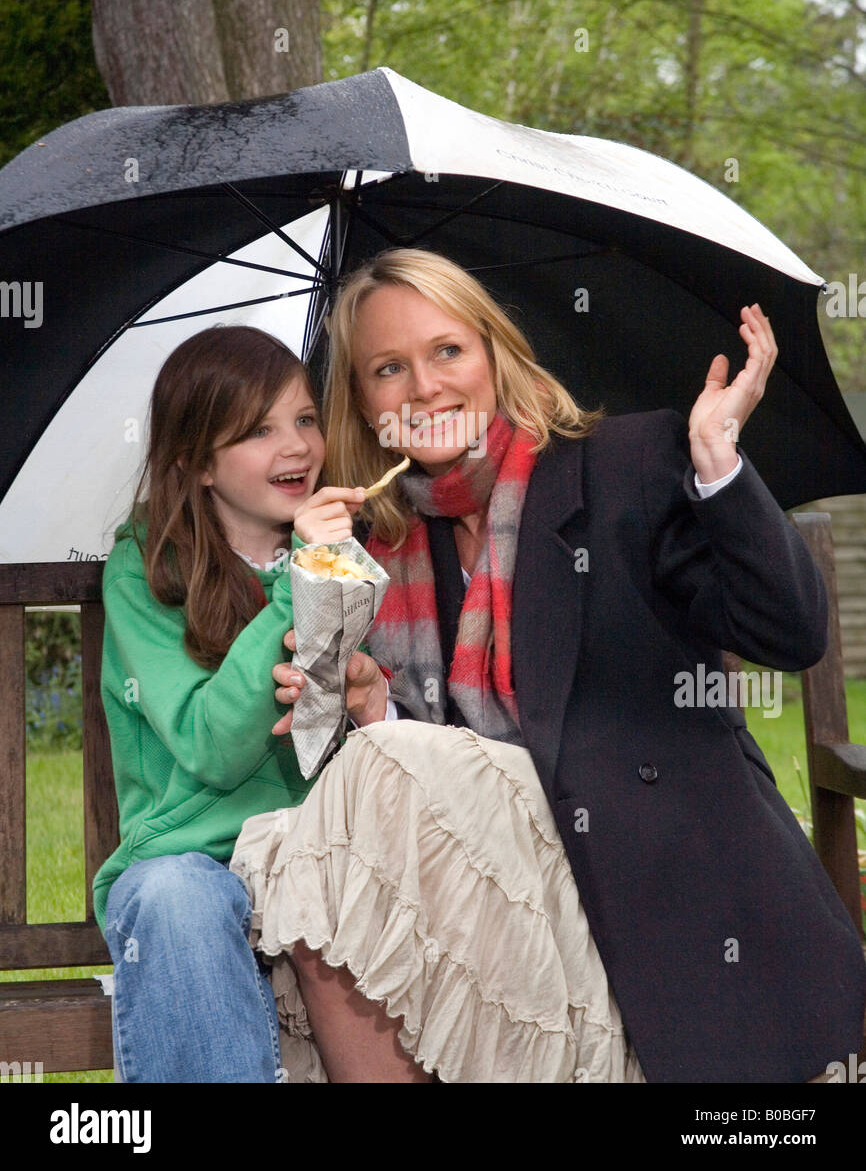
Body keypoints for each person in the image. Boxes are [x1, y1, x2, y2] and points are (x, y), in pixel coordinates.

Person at [231, 248, 866, 1084]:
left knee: (371, 783)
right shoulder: (379, 550)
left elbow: (791, 631)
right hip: (501, 927)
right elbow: (428, 798)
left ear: (495, 354)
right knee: (308, 844)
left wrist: (717, 461)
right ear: (361, 402)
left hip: (660, 903)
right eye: (389, 369)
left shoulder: (624, 466)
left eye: (447, 351)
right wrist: (373, 703)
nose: (423, 387)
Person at [95, 325, 385, 1082]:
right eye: (258, 430)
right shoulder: (143, 573)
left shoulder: (347, 561)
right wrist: (302, 577)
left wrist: (364, 695)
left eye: (304, 419)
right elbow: (215, 748)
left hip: (316, 857)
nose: (295, 446)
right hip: (193, 862)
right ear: (195, 462)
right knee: (175, 898)